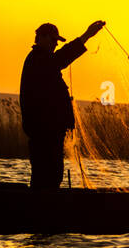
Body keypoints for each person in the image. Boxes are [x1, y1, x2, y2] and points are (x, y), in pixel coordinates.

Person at [19, 19, 105, 189]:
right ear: (41, 38)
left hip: (50, 131)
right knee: (46, 175)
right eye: (52, 40)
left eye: (57, 42)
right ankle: (40, 210)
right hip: (42, 131)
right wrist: (86, 35)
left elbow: (58, 60)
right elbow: (60, 59)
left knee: (53, 174)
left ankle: (44, 208)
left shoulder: (44, 60)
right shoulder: (37, 59)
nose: (55, 45)